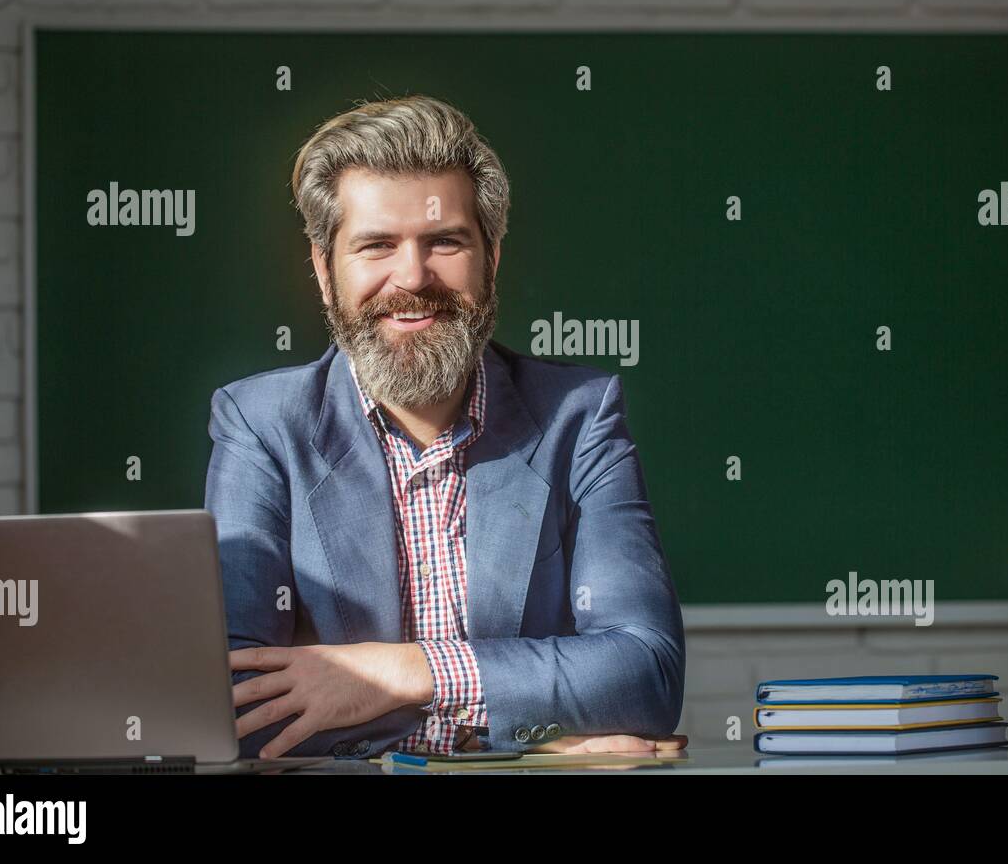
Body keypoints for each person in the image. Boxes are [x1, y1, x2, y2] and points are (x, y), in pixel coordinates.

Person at [206, 94, 686, 759]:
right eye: (377, 245)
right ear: (323, 270)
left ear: (492, 256)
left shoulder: (579, 416)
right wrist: (525, 740)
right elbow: (235, 704)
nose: (412, 277)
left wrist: (401, 672)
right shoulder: (262, 426)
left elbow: (646, 677)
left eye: (444, 242)